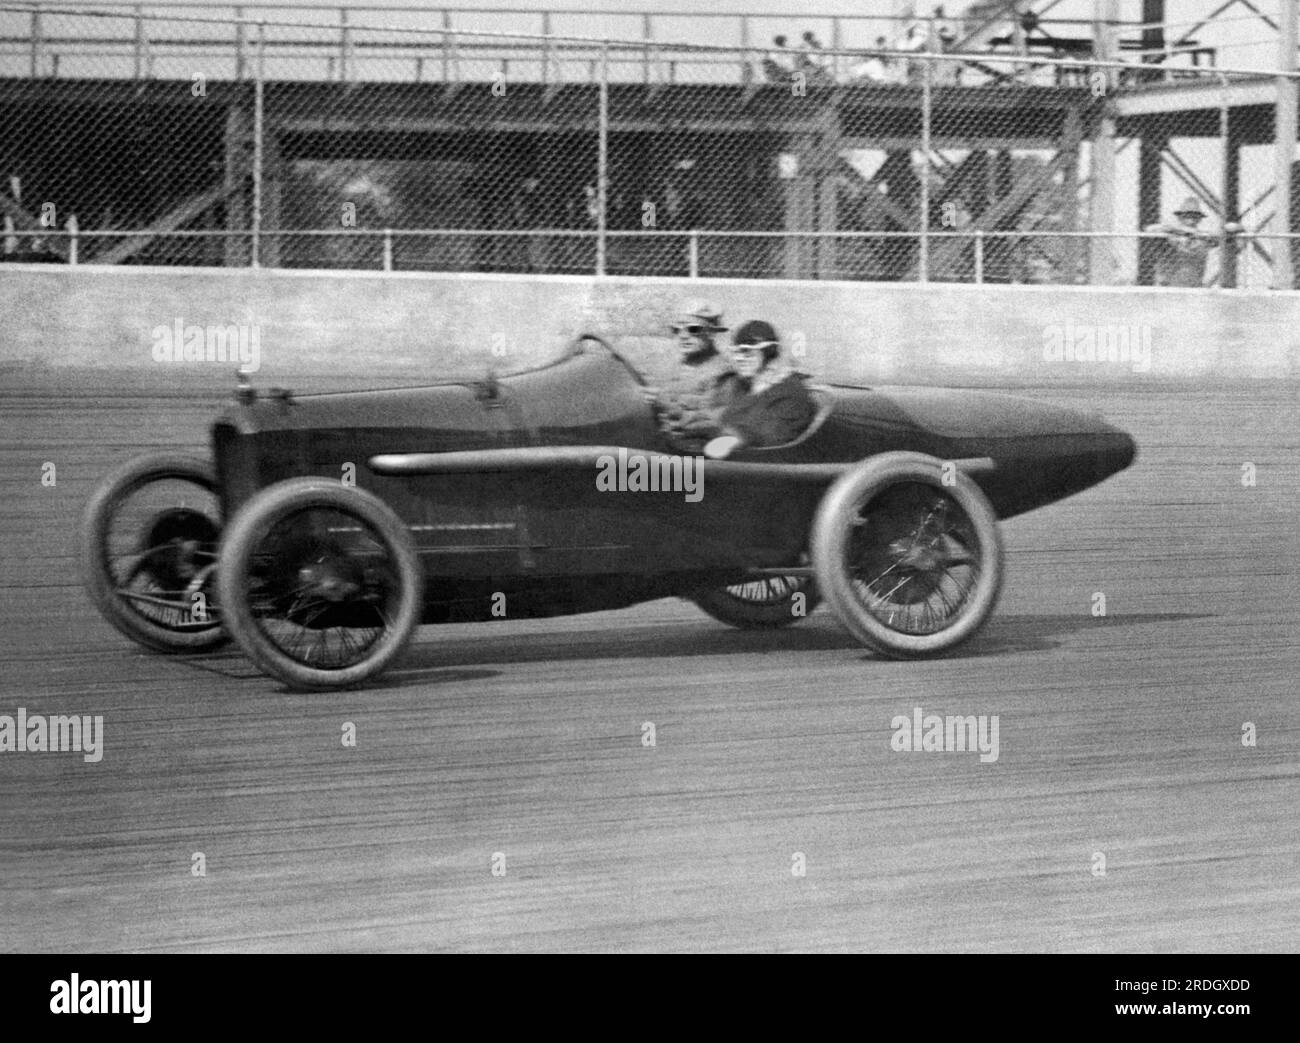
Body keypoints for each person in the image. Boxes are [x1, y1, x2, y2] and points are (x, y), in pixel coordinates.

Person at [704, 320, 817, 457]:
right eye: (735, 352)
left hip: (767, 468)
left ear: (768, 353)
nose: (739, 358)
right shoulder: (744, 386)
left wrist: (734, 438)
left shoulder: (791, 392)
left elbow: (772, 435)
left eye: (747, 352)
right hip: (735, 463)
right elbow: (721, 418)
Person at [645, 300, 734, 452]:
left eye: (693, 329)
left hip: (697, 454)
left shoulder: (723, 373)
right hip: (669, 446)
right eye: (677, 330)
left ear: (711, 333)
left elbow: (715, 425)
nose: (683, 336)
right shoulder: (678, 367)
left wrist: (666, 407)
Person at [1143, 197, 1241, 287]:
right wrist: (1183, 231)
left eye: (1194, 216)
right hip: (1169, 286)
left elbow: (1236, 228)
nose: (1191, 219)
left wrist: (1223, 229)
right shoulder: (1170, 237)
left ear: (1199, 219)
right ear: (1180, 217)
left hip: (1194, 286)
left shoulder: (1203, 239)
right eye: (1187, 216)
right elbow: (1150, 229)